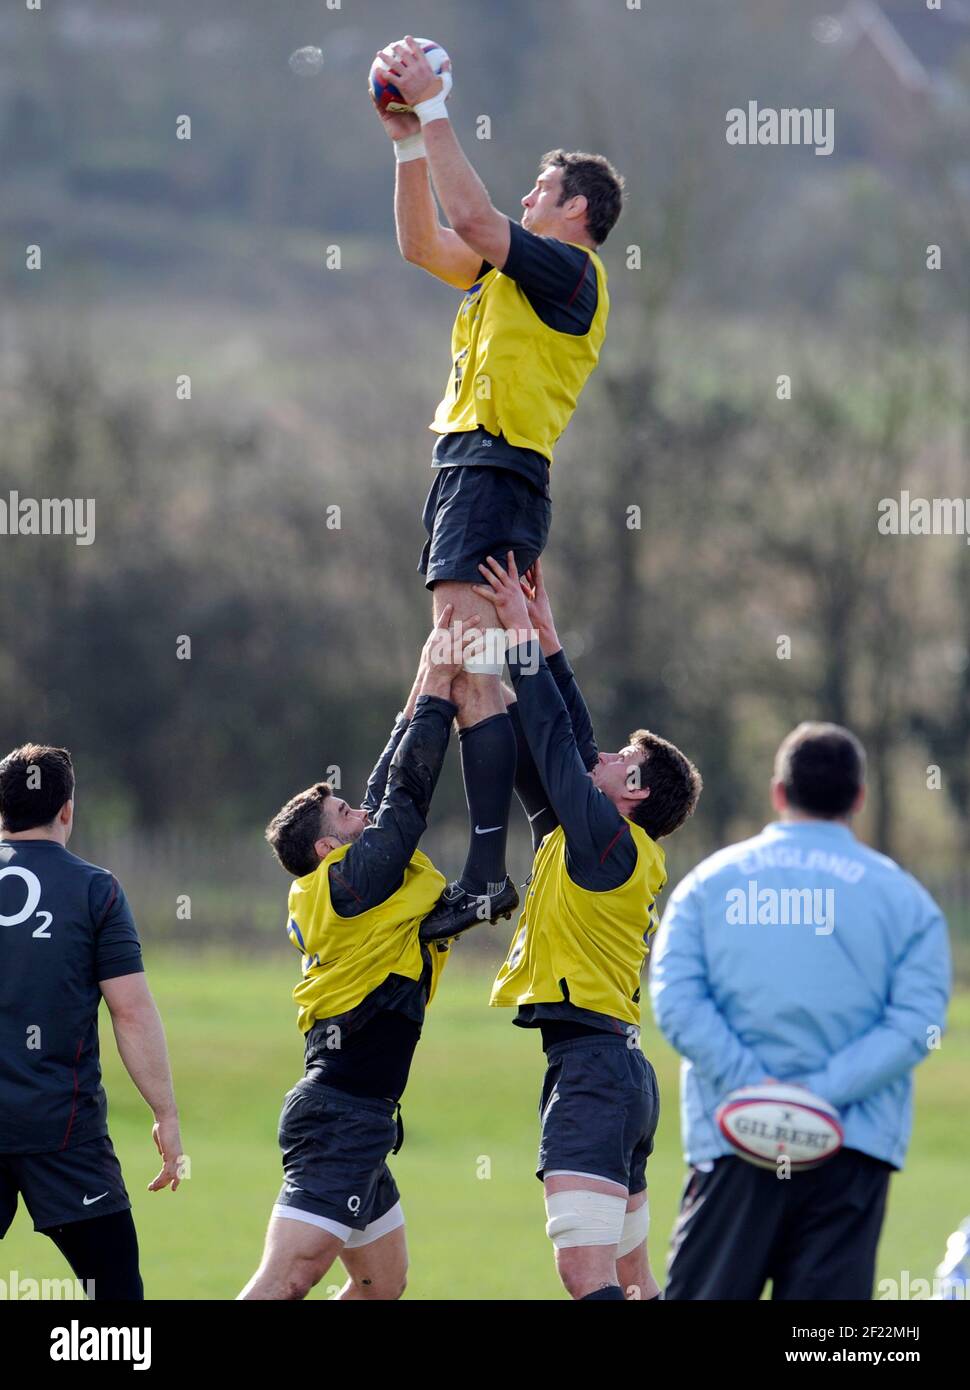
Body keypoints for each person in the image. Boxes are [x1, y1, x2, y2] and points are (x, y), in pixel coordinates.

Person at [373, 36, 626, 938]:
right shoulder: (506, 274)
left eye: (540, 192)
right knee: (464, 661)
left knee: (467, 659)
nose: (524, 202)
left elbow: (478, 220)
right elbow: (421, 242)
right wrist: (407, 140)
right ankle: (487, 853)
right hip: (464, 470)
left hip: (499, 469)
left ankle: (477, 866)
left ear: (578, 210)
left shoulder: (569, 272)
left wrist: (435, 104)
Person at [448, 555, 701, 1301]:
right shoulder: (603, 836)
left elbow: (561, 745)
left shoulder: (605, 838)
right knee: (633, 1281)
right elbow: (569, 736)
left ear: (634, 791)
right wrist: (548, 637)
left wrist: (523, 638)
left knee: (584, 1276)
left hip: (595, 1074)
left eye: (626, 757)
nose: (611, 754)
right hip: (612, 1070)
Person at [649, 721, 952, 1301]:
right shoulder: (906, 899)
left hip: (735, 1138)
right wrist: (820, 1094)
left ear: (779, 792)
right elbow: (918, 1025)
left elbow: (678, 1001)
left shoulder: (708, 884)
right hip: (852, 1147)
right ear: (858, 799)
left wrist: (758, 1090)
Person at [238, 609, 475, 1301]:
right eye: (344, 817)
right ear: (326, 850)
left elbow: (379, 794)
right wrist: (437, 693)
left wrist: (428, 675)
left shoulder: (344, 887)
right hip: (342, 1113)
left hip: (361, 1117)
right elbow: (403, 799)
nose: (358, 816)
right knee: (287, 1278)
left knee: (381, 1287)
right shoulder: (349, 883)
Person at [0, 744, 182, 1301]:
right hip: (63, 1133)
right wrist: (165, 1113)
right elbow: (131, 1011)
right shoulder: (94, 890)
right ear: (67, 811)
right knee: (116, 1299)